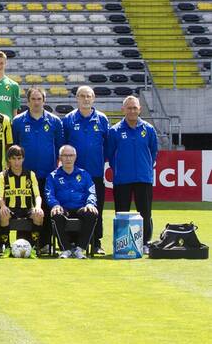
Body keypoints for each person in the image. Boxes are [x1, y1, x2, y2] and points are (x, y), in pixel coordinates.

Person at [11, 87, 62, 252]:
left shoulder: (55, 122)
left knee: (45, 209)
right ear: (28, 101)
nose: (36, 102)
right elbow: (14, 148)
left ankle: (45, 244)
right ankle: (22, 244)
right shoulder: (18, 121)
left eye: (39, 99)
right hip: (24, 175)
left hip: (47, 174)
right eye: (33, 99)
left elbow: (60, 147)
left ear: (44, 101)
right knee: (24, 208)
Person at [107, 96, 158, 252]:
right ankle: (122, 244)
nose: (132, 111)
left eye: (135, 108)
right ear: (123, 110)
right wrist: (120, 169)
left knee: (145, 211)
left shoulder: (148, 129)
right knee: (122, 212)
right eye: (129, 108)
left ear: (140, 109)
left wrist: (146, 168)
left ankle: (145, 243)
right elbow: (110, 154)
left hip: (143, 178)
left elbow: (154, 151)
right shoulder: (115, 131)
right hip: (122, 179)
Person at [62, 85, 109, 254]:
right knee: (75, 208)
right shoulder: (68, 120)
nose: (86, 99)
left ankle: (96, 243)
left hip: (95, 174)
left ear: (94, 98)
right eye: (82, 96)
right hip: (72, 175)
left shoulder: (102, 119)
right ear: (77, 98)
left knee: (97, 209)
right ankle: (74, 242)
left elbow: (108, 146)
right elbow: (63, 146)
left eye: (89, 96)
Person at [45, 145, 99, 259]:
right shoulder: (53, 176)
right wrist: (55, 204)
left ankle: (80, 249)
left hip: (80, 207)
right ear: (60, 157)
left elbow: (91, 192)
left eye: (71, 155)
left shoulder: (84, 174)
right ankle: (66, 249)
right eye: (65, 155)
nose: (68, 158)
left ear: (75, 157)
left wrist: (90, 203)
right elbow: (49, 194)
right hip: (63, 207)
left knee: (92, 213)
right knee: (56, 214)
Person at [0, 145, 44, 257]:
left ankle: (33, 247)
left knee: (38, 215)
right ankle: (6, 247)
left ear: (23, 159)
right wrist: (3, 206)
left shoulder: (30, 175)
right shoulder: (3, 175)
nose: (17, 162)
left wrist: (38, 206)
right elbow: (0, 197)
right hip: (11, 209)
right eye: (13, 158)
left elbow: (37, 195)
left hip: (27, 209)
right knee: (3, 214)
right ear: (9, 159)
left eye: (19, 158)